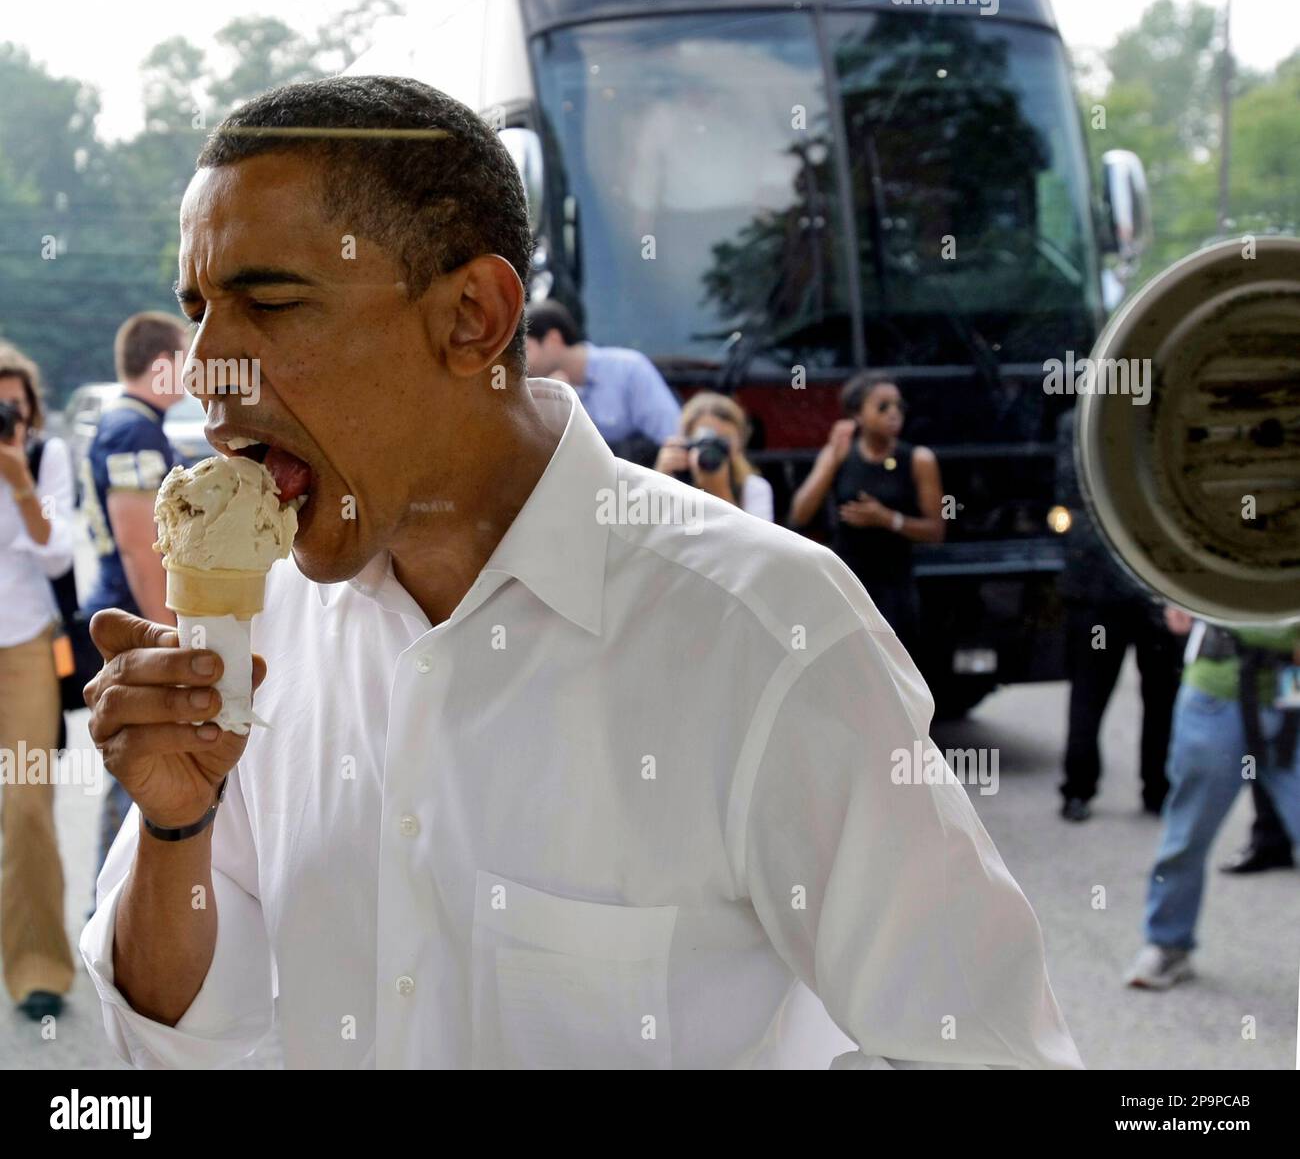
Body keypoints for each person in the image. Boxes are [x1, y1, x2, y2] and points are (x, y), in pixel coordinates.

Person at [79, 76, 1080, 1070]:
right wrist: (178, 829)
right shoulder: (263, 633)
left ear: (472, 315)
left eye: (269, 301)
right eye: (198, 309)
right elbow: (178, 1040)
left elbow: (989, 1051)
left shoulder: (764, 632)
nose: (206, 367)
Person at [1126, 611, 1300, 990]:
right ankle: (1168, 944)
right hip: (1217, 692)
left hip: (1293, 692)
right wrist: (1172, 596)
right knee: (1188, 832)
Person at [82, 312, 188, 882]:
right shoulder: (132, 428)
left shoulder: (132, 422)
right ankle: (113, 906)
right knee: (139, 765)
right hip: (131, 616)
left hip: (124, 610)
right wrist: (166, 636)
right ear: (162, 364)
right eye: (186, 356)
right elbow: (140, 546)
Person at [1054, 409, 1183, 823]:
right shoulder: (1157, 414)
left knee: (1095, 693)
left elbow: (1068, 499)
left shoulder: (1077, 421)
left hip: (1109, 585)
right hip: (1140, 583)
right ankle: (1153, 788)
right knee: (1146, 695)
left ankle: (1084, 790)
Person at [0, 341, 76, 1021]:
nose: (6, 420)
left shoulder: (47, 458)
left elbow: (57, 551)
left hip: (23, 648)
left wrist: (17, 477)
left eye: (13, 409)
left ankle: (38, 968)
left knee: (26, 806)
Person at [789, 372, 944, 656]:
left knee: (894, 666)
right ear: (857, 415)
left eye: (899, 406)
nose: (894, 413)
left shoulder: (918, 460)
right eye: (883, 407)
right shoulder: (841, 453)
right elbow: (800, 514)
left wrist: (887, 519)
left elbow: (935, 531)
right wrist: (831, 461)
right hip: (849, 580)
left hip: (895, 584)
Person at [524, 299, 681, 466]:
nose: (521, 361)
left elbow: (673, 439)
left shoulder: (629, 370)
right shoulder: (539, 392)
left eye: (526, 350)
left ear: (553, 340)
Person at [653, 391, 774, 521]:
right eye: (705, 439)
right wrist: (659, 479)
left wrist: (721, 492)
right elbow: (646, 531)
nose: (712, 450)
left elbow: (755, 539)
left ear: (739, 445)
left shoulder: (753, 487)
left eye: (722, 441)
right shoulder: (672, 478)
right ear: (686, 441)